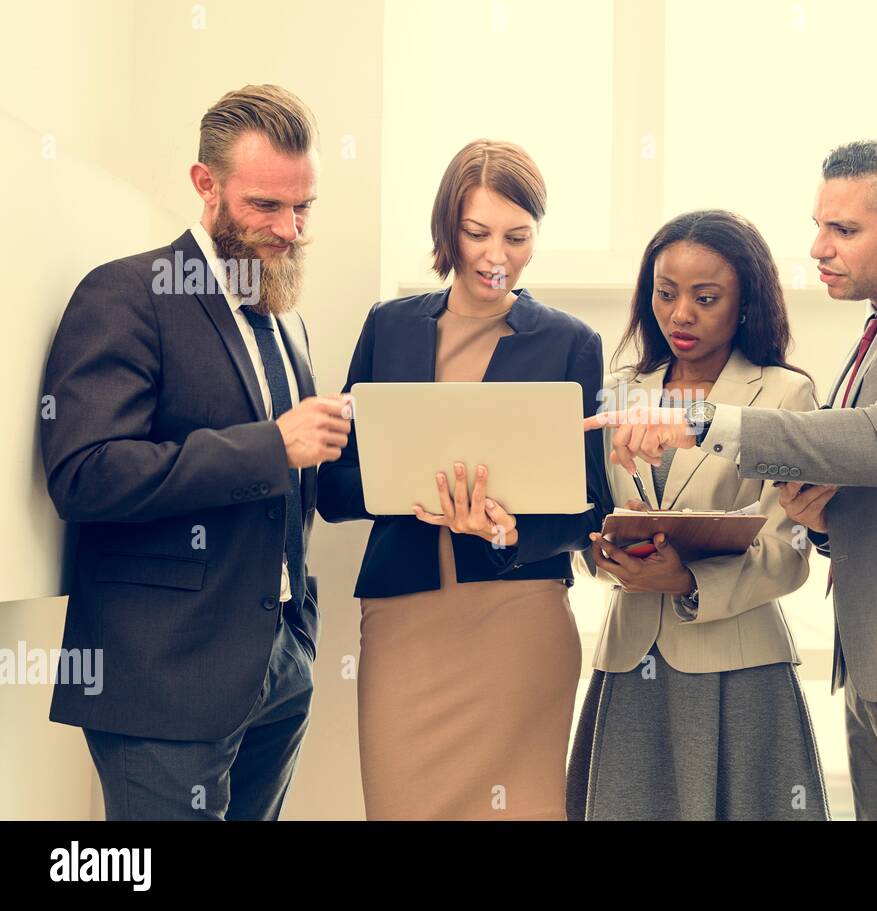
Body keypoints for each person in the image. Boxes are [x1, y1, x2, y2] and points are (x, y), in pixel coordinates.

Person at [584, 139, 877, 820]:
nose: (819, 247)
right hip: (874, 653)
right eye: (818, 225)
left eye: (842, 229)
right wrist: (820, 519)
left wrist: (698, 419)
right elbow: (874, 483)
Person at [40, 84, 343, 819]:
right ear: (205, 185)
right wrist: (270, 445)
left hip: (281, 668)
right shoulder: (127, 293)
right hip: (162, 683)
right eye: (266, 206)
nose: (291, 229)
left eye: (303, 206)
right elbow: (85, 474)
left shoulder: (284, 318)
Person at [317, 139, 611, 820]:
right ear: (447, 228)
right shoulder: (388, 328)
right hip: (404, 620)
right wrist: (405, 485)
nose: (495, 255)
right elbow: (331, 489)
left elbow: (588, 510)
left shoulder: (571, 344)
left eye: (517, 236)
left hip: (520, 618)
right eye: (477, 233)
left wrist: (506, 526)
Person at [567, 210, 829, 820]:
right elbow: (589, 519)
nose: (681, 314)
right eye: (665, 293)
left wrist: (687, 580)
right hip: (630, 661)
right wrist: (603, 555)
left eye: (706, 298)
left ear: (745, 304)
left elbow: (790, 554)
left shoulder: (783, 395)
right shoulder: (622, 389)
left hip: (739, 670)